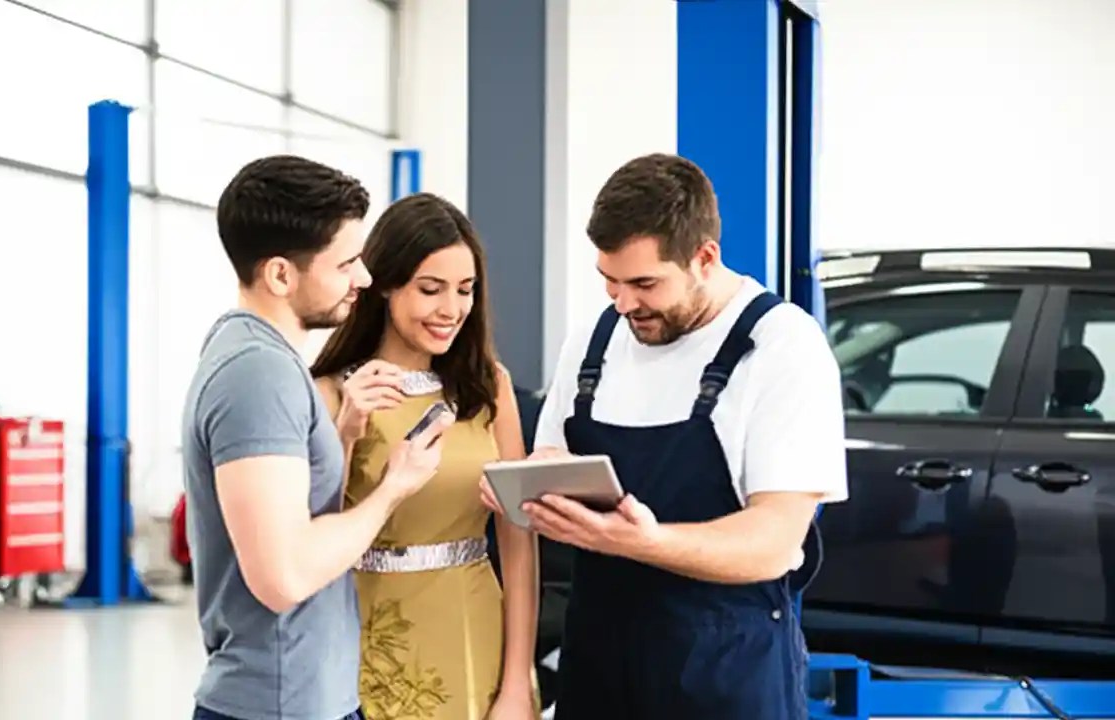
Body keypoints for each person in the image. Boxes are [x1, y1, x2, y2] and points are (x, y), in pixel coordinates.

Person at [481, 153, 848, 719]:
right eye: (610, 282)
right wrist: (529, 487)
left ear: (704, 258)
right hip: (597, 667)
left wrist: (644, 542)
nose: (625, 303)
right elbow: (551, 459)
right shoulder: (593, 342)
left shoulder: (782, 347)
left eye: (645, 283)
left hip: (724, 673)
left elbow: (776, 541)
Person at [181, 156, 454, 720]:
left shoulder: (261, 359)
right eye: (347, 263)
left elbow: (292, 511)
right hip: (279, 705)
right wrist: (393, 489)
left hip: (311, 696)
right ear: (281, 274)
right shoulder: (257, 373)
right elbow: (285, 576)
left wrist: (343, 433)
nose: (364, 279)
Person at [309, 192, 541, 720]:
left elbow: (519, 543)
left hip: (472, 625)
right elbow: (309, 535)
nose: (452, 310)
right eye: (430, 289)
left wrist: (515, 684)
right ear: (385, 284)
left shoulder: (490, 388)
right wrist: (346, 430)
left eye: (465, 290)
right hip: (363, 630)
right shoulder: (329, 392)